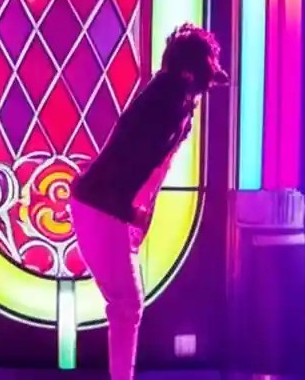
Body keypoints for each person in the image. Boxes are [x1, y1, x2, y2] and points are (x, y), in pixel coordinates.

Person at [69, 24, 229, 380]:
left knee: (126, 305)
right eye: (204, 82)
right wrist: (131, 213)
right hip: (102, 209)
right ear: (190, 74)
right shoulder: (167, 103)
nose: (204, 93)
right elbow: (130, 164)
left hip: (102, 209)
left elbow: (143, 167)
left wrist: (135, 216)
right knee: (127, 304)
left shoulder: (169, 99)